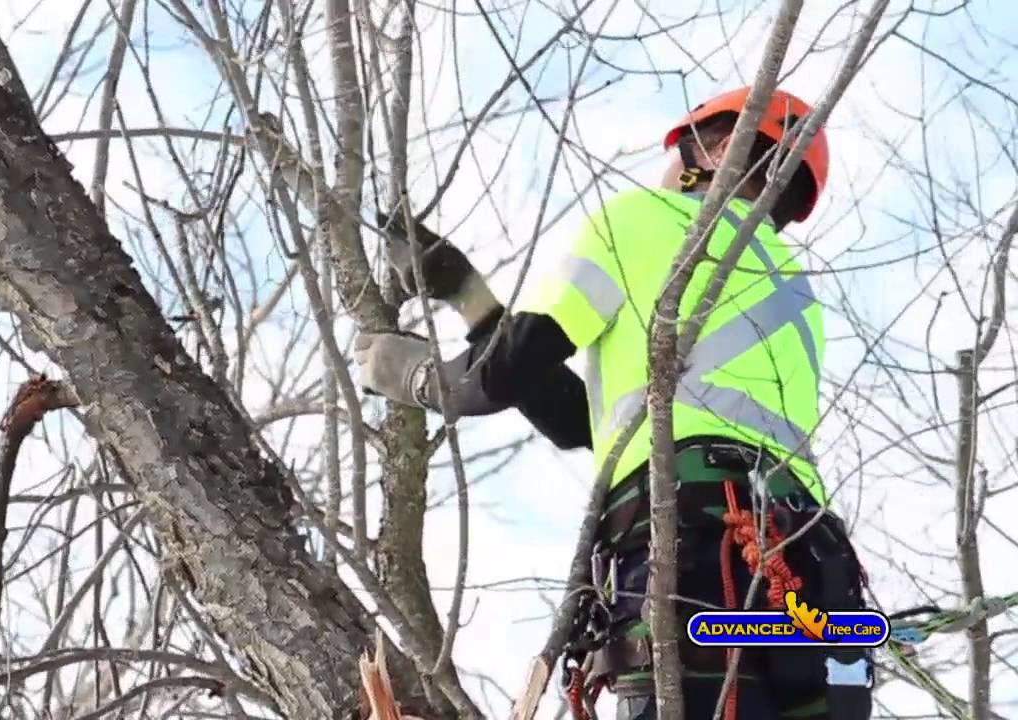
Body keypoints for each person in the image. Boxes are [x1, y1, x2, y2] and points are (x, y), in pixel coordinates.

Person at [356, 87, 873, 720]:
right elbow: (581, 420)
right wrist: (467, 293)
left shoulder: (647, 218)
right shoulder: (794, 285)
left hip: (699, 553)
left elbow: (503, 375)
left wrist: (410, 374)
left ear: (711, 149)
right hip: (812, 579)